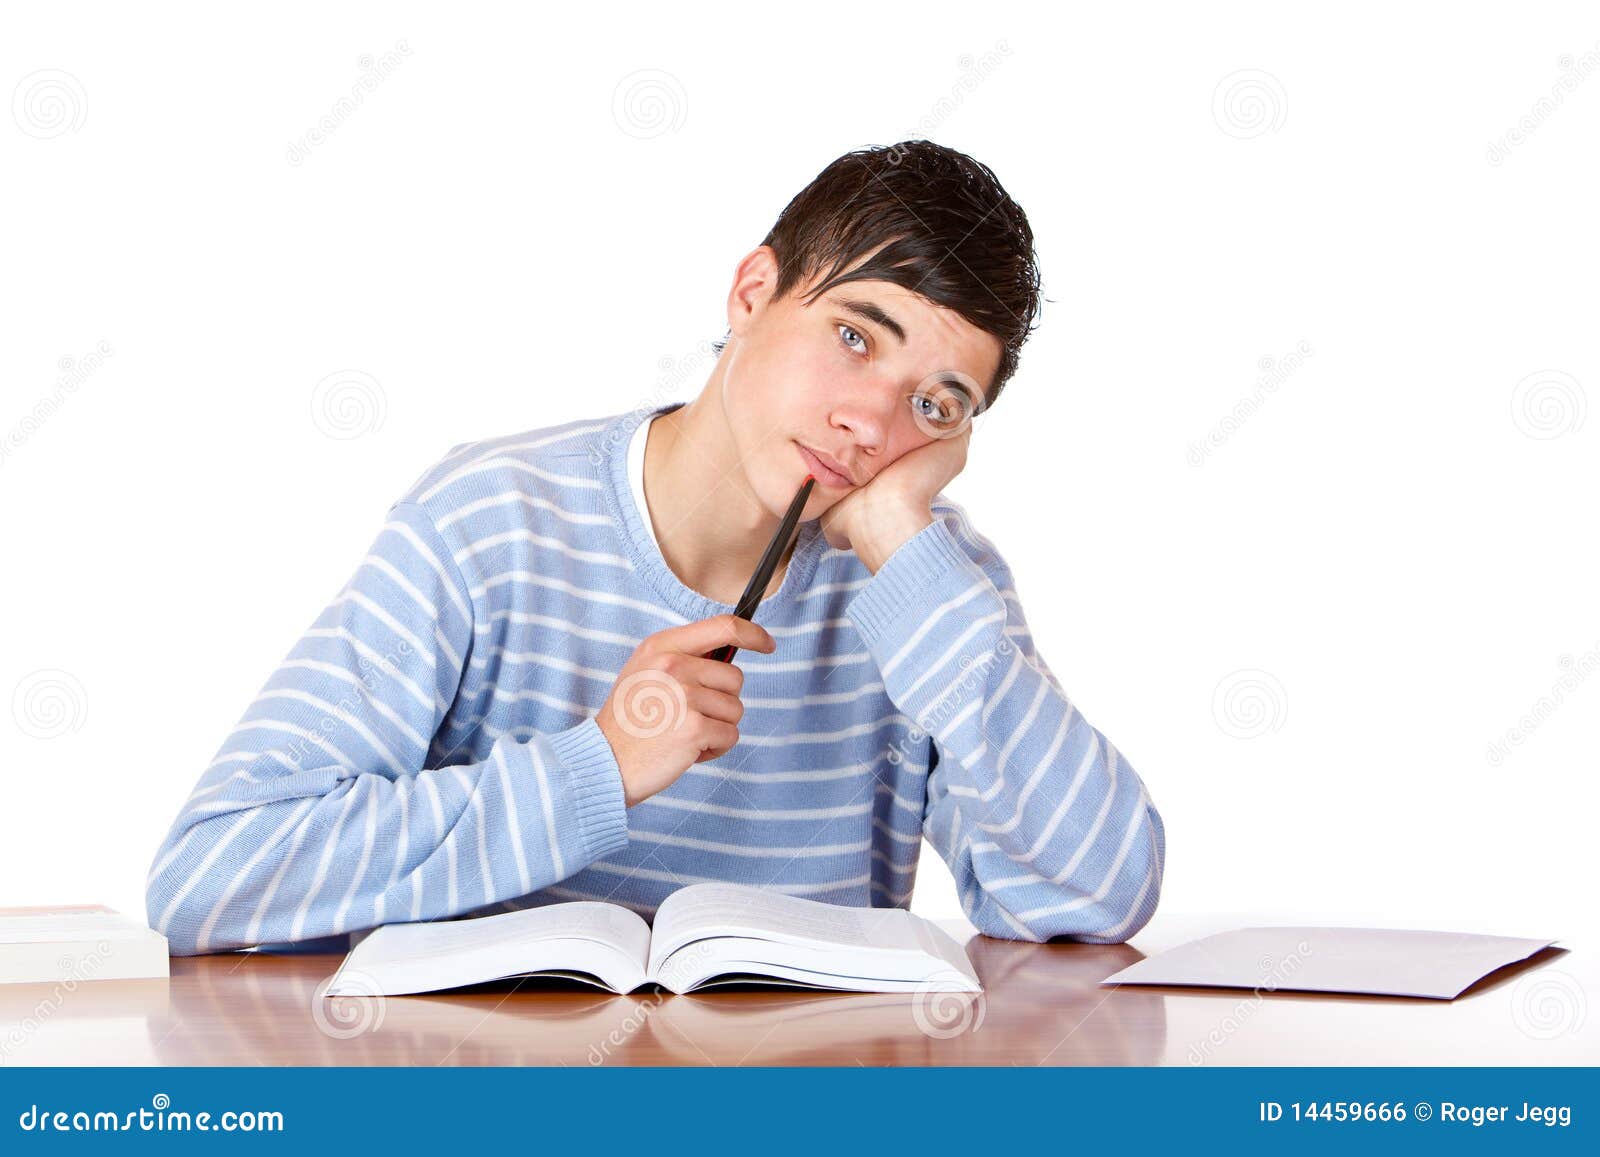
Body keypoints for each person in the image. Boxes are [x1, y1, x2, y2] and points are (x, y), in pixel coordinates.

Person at [146, 139, 1166, 956]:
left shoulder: (927, 588)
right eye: (855, 337)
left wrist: (907, 542)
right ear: (752, 291)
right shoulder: (488, 519)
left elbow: (1095, 894)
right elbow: (214, 872)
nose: (869, 423)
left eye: (934, 403)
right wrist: (596, 766)